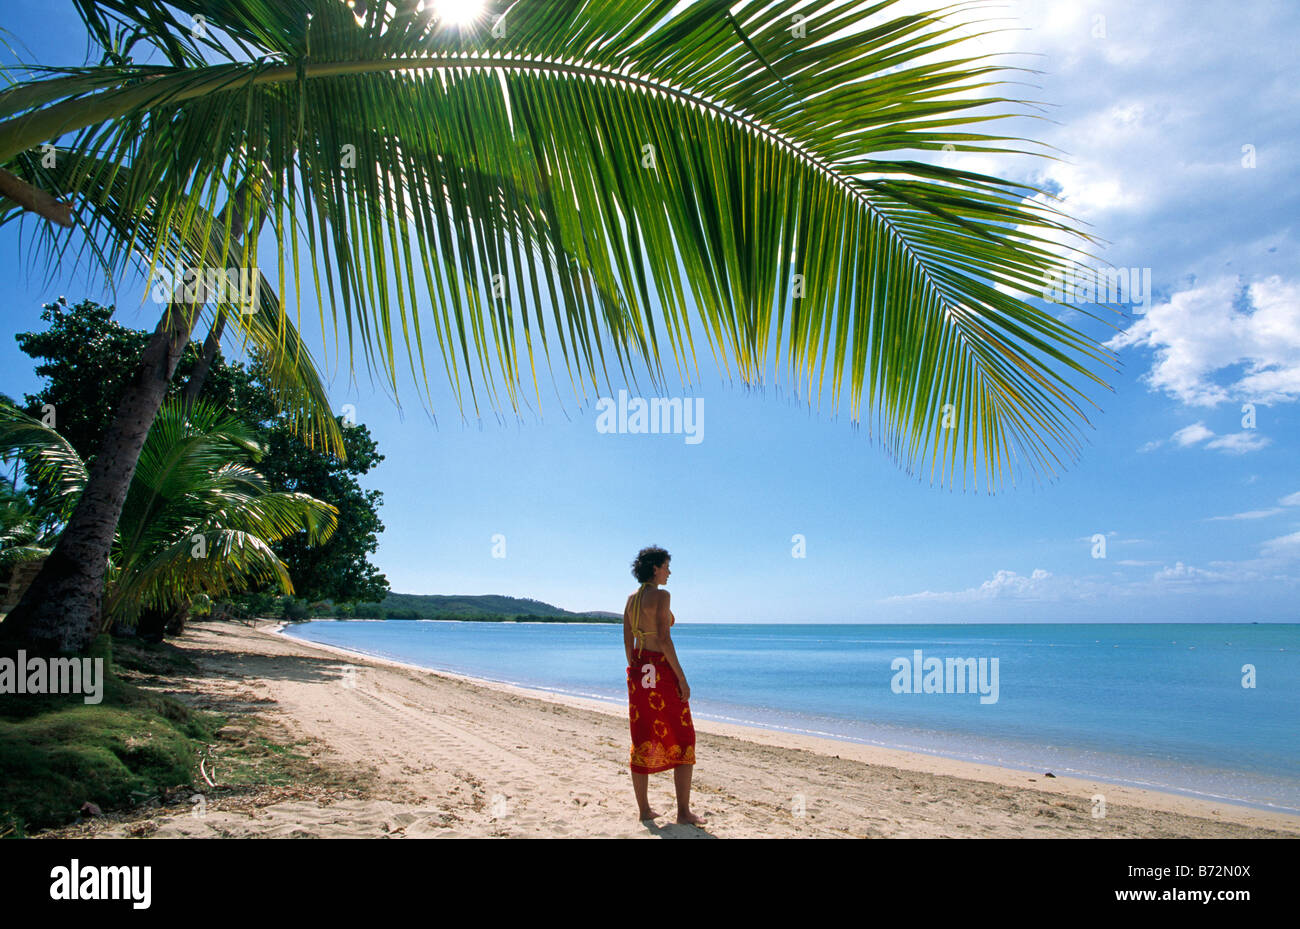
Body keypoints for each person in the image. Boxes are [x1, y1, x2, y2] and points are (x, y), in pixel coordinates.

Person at [624, 545, 705, 825]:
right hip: (660, 668)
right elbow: (664, 637)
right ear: (655, 568)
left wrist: (635, 666)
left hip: (638, 672)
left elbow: (628, 640)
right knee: (683, 736)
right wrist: (681, 677)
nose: (669, 571)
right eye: (667, 566)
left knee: (642, 736)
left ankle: (644, 809)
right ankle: (683, 812)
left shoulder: (631, 599)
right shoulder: (661, 595)